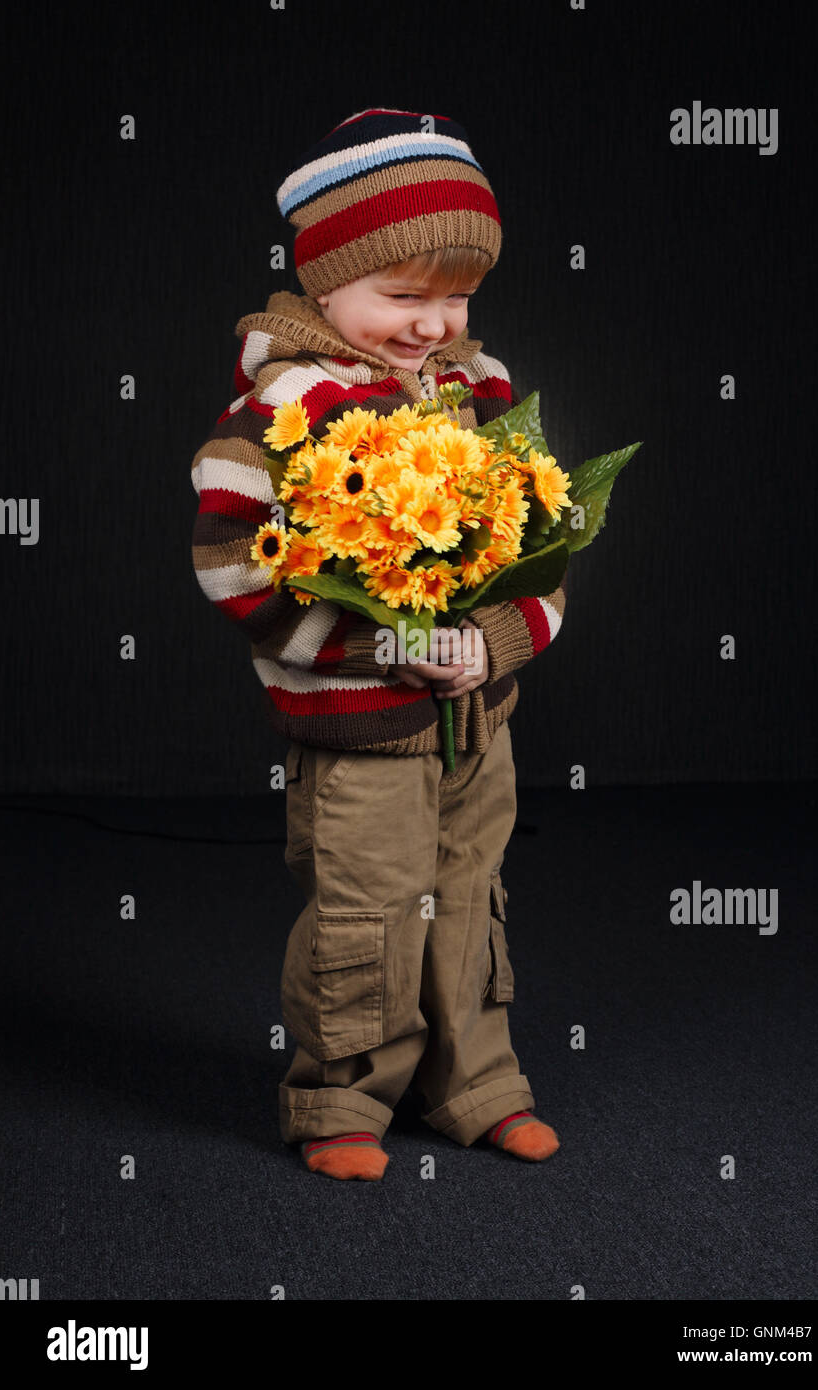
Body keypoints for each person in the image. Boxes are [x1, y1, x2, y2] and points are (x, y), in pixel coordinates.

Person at [190, 108, 568, 1180]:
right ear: (321, 283)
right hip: (361, 730)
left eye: (456, 297)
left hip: (474, 724)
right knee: (366, 909)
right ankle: (341, 1096)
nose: (430, 324)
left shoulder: (480, 393)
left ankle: (478, 1083)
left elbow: (547, 549)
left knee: (470, 900)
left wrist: (491, 640)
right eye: (402, 296)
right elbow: (233, 571)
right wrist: (385, 645)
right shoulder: (282, 409)